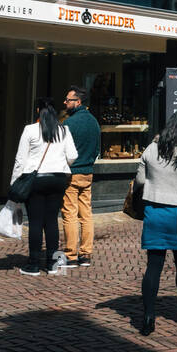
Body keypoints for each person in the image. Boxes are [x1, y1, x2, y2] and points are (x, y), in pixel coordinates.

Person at [136, 108, 177, 335]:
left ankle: (148, 316)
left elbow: (139, 180)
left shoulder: (152, 148)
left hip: (154, 211)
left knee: (153, 266)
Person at [11, 98, 78, 276]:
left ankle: (33, 264)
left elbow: (20, 159)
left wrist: (15, 183)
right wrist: (61, 163)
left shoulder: (30, 130)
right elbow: (73, 155)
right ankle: (52, 263)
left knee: (35, 222)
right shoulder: (63, 130)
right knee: (51, 221)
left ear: (38, 111)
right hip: (57, 178)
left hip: (36, 179)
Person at [60, 86, 100, 267]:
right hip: (88, 173)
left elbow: (63, 151)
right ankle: (86, 253)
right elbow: (98, 149)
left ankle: (71, 254)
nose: (65, 103)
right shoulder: (94, 122)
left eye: (68, 100)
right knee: (86, 214)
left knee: (70, 214)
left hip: (72, 173)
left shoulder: (69, 124)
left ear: (78, 102)